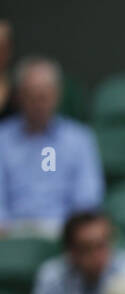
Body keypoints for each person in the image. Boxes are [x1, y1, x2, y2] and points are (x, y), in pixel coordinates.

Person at [0, 56, 103, 238]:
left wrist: (72, 231)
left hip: (64, 233)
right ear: (19, 97)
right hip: (10, 233)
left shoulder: (79, 139)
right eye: (32, 97)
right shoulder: (2, 138)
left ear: (57, 95)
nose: (38, 104)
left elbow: (87, 199)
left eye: (44, 96)